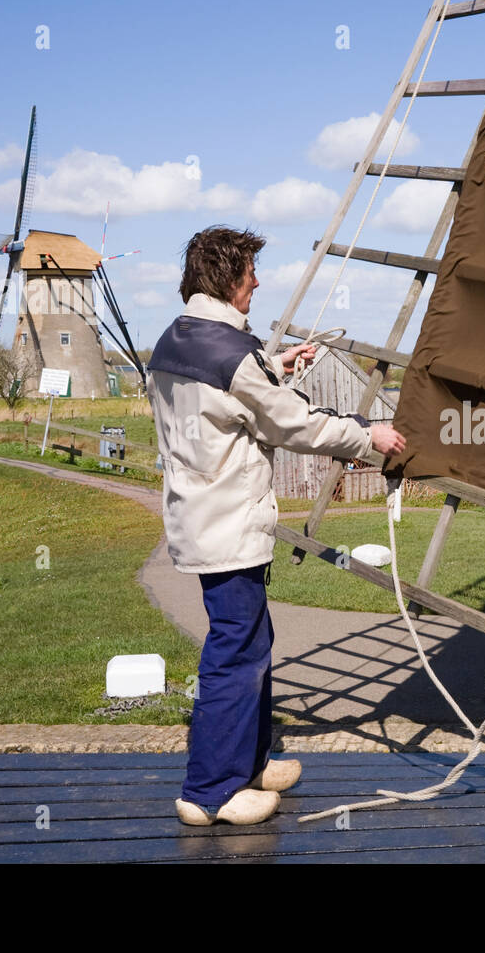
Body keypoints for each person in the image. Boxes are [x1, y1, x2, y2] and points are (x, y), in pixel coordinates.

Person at [147, 226, 406, 826]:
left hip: (201, 519)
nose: (257, 282)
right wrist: (370, 436)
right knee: (234, 654)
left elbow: (229, 400)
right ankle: (209, 791)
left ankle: (252, 763)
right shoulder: (232, 357)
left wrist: (274, 365)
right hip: (230, 527)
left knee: (252, 644)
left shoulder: (176, 340)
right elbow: (294, 424)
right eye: (249, 273)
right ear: (226, 277)